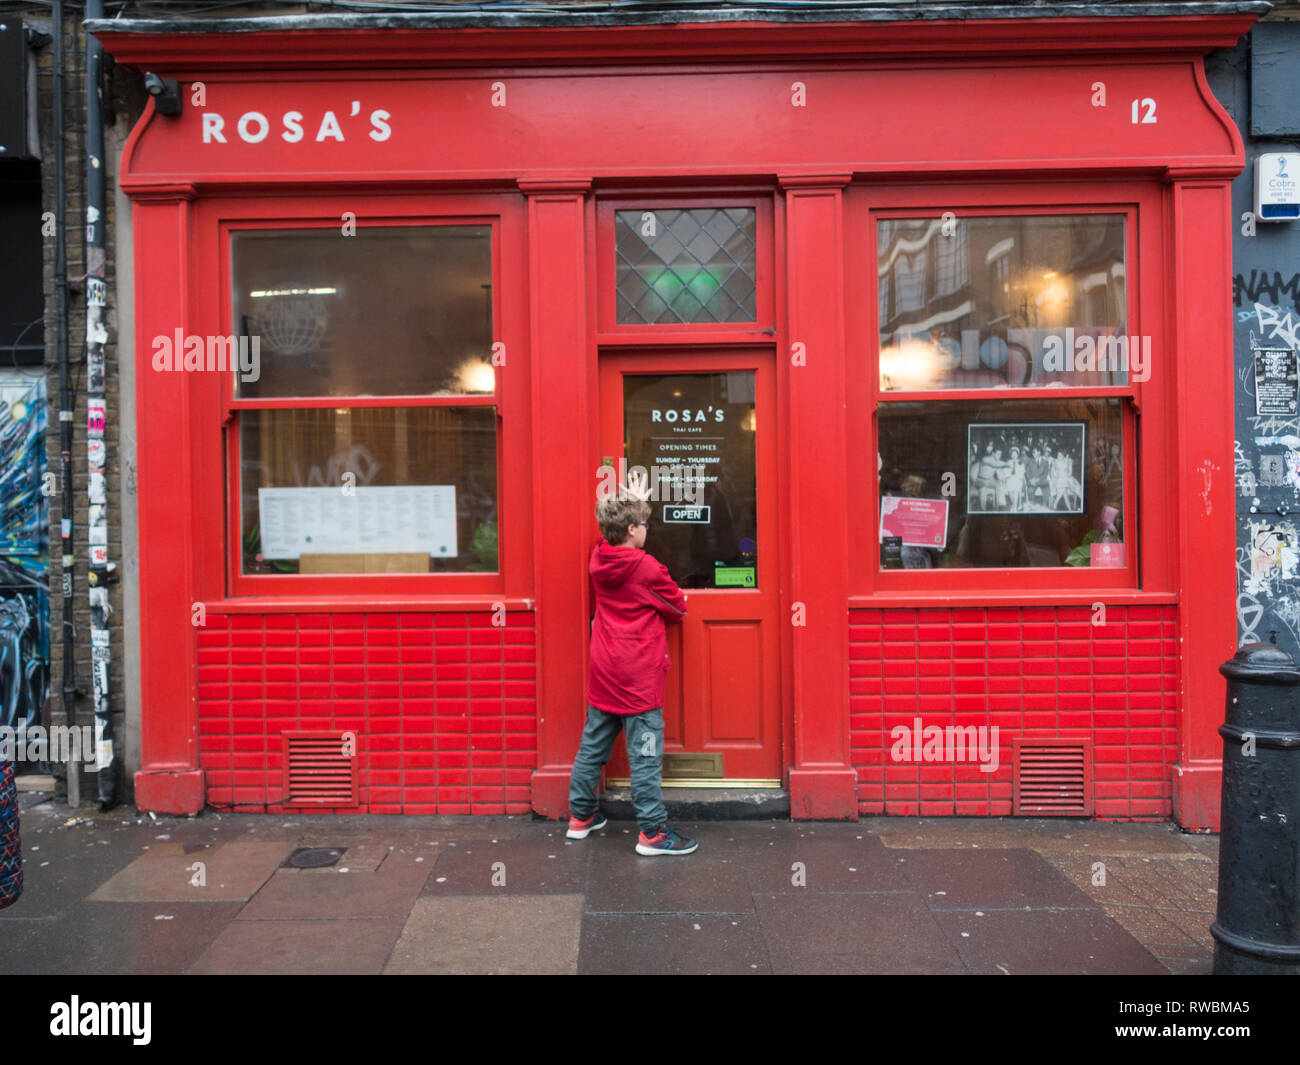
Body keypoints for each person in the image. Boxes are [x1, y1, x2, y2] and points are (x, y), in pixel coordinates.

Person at [566, 492, 698, 856]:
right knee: (645, 755)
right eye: (644, 524)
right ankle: (653, 834)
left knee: (592, 745)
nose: (647, 530)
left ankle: (580, 817)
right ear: (630, 530)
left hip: (605, 668)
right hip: (638, 675)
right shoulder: (647, 567)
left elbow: (607, 541)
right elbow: (678, 606)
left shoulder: (598, 558)